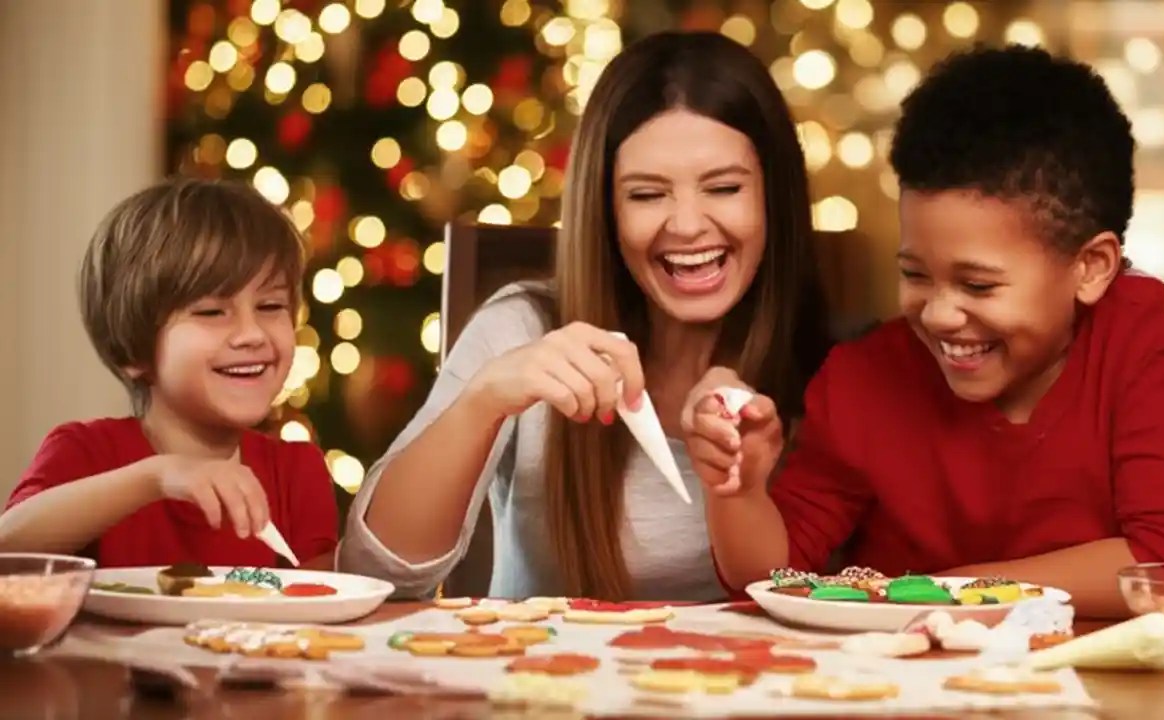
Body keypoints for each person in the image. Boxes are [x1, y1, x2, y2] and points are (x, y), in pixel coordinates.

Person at [698, 45, 1164, 618]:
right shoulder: (865, 379)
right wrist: (741, 492)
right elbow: (771, 580)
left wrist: (948, 595)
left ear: (1090, 268)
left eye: (978, 285)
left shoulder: (1129, 339)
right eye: (915, 274)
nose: (940, 314)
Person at [338, 31, 830, 601]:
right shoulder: (522, 328)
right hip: (545, 686)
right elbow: (376, 577)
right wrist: (486, 399)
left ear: (774, 197)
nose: (688, 224)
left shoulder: (833, 370)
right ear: (606, 210)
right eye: (647, 195)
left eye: (723, 188)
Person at [0, 178, 338, 569]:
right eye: (211, 312)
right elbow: (7, 549)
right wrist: (156, 478)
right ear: (135, 349)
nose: (252, 334)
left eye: (271, 306)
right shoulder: (86, 452)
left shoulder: (295, 471)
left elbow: (322, 603)